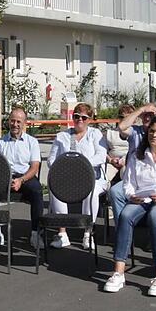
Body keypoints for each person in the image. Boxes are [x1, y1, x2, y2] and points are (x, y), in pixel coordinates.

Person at [103, 115, 156, 297]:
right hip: (143, 200)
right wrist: (131, 195)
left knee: (155, 215)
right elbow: (128, 183)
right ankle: (118, 271)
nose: (154, 135)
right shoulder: (137, 156)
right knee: (126, 215)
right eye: (151, 131)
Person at [48, 103, 108, 249]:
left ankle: (88, 233)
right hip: (68, 177)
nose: (79, 120)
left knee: (91, 193)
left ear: (90, 119)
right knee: (55, 189)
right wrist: (65, 167)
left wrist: (81, 165)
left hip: (93, 177)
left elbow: (101, 156)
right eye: (76, 116)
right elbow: (51, 160)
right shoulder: (62, 136)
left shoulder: (95, 134)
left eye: (83, 117)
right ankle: (62, 233)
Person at [0, 107, 44, 249]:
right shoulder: (0, 143)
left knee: (37, 191)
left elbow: (35, 167)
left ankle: (35, 233)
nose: (15, 124)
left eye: (18, 121)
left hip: (26, 177)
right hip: (6, 177)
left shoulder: (32, 142)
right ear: (8, 121)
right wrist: (8, 179)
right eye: (12, 121)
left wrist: (21, 180)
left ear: (24, 123)